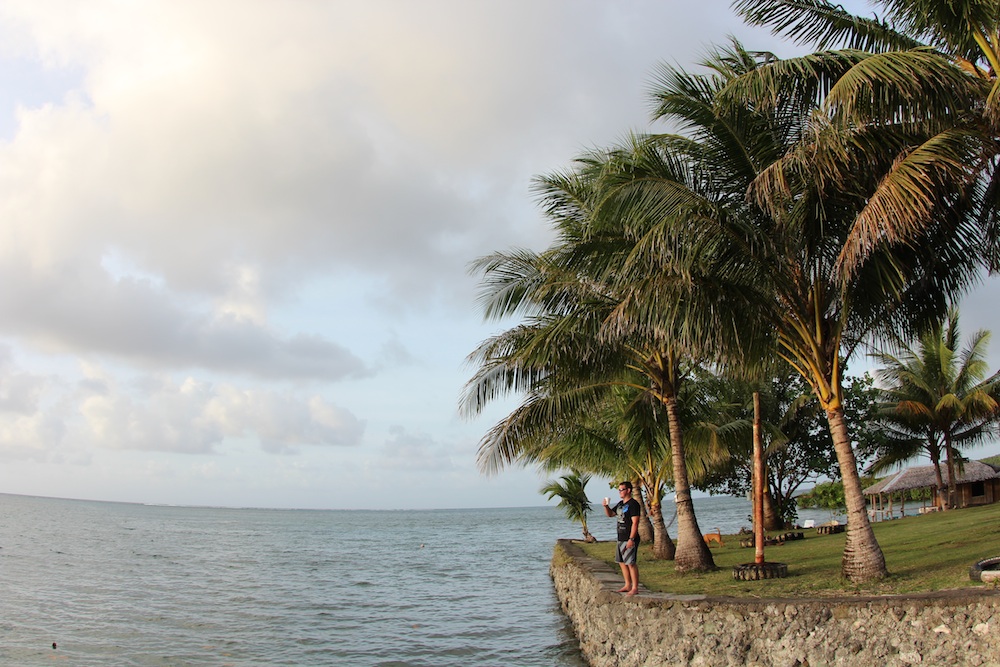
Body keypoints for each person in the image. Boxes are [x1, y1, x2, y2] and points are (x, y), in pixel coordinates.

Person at [603, 481, 640, 595]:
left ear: (628, 490)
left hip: (629, 537)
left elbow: (635, 522)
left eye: (622, 489)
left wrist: (631, 539)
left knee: (630, 563)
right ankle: (627, 584)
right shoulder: (620, 504)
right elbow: (610, 514)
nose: (620, 492)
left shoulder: (633, 504)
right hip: (620, 537)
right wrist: (606, 506)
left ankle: (635, 587)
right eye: (619, 490)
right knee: (621, 562)